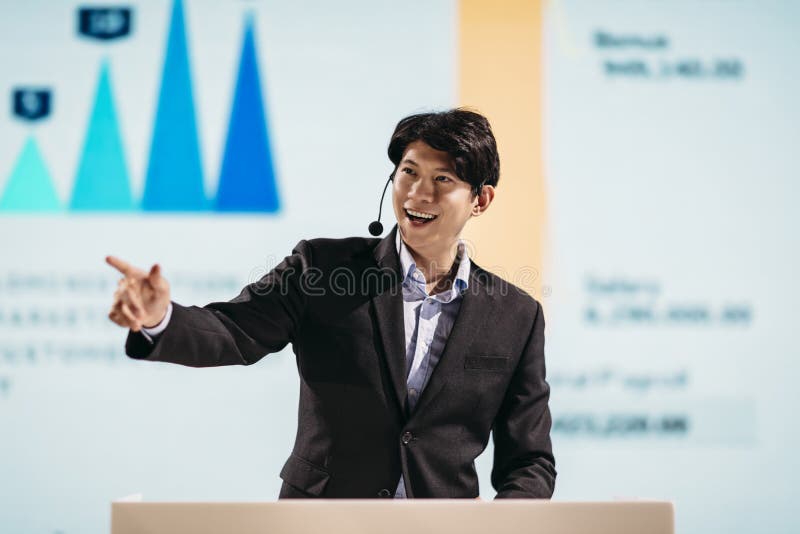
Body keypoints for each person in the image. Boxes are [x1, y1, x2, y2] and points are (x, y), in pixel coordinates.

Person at [107, 108, 556, 499]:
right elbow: (234, 332)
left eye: (443, 179)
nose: (419, 193)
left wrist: (501, 522)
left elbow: (530, 461)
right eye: (409, 172)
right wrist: (159, 319)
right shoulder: (320, 268)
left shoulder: (516, 315)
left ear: (481, 199)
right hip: (324, 515)